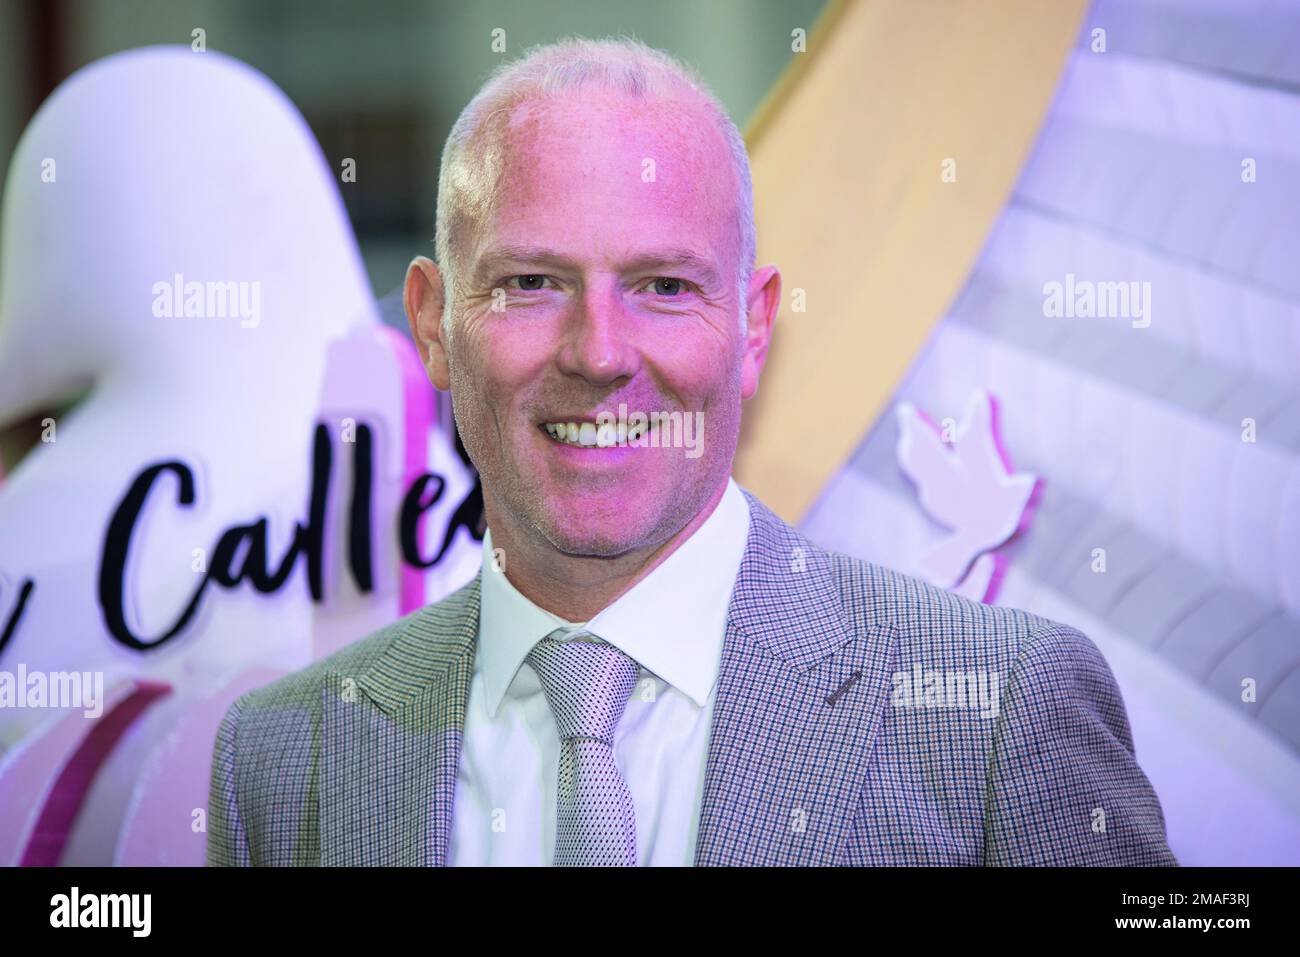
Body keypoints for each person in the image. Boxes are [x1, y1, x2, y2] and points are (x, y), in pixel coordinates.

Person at [207, 35, 1177, 867]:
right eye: (533, 282)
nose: (597, 353)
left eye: (665, 287)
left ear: (754, 330)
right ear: (431, 325)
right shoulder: (284, 754)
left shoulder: (998, 713)